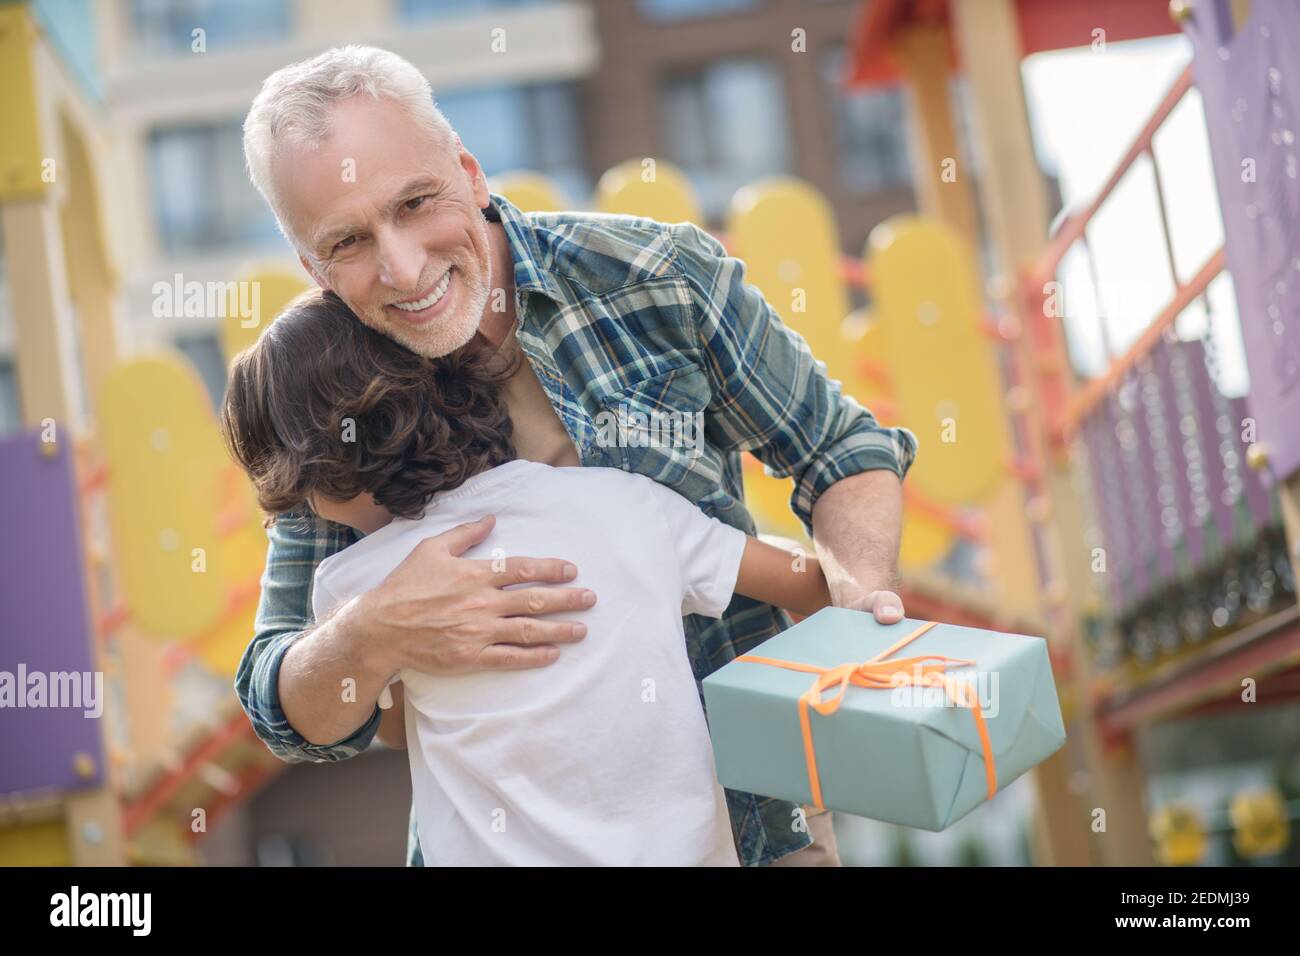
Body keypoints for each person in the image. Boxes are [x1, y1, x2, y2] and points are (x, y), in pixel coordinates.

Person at [237, 44, 917, 866]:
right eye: (348, 242)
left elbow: (838, 449)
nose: (403, 266)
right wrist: (374, 635)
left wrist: (861, 605)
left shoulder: (657, 277)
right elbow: (285, 705)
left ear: (471, 173)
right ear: (311, 267)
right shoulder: (334, 386)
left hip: (747, 831)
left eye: (416, 202)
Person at [221, 289, 837, 865]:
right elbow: (805, 580)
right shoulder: (629, 502)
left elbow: (400, 733)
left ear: (323, 478)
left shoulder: (356, 585)